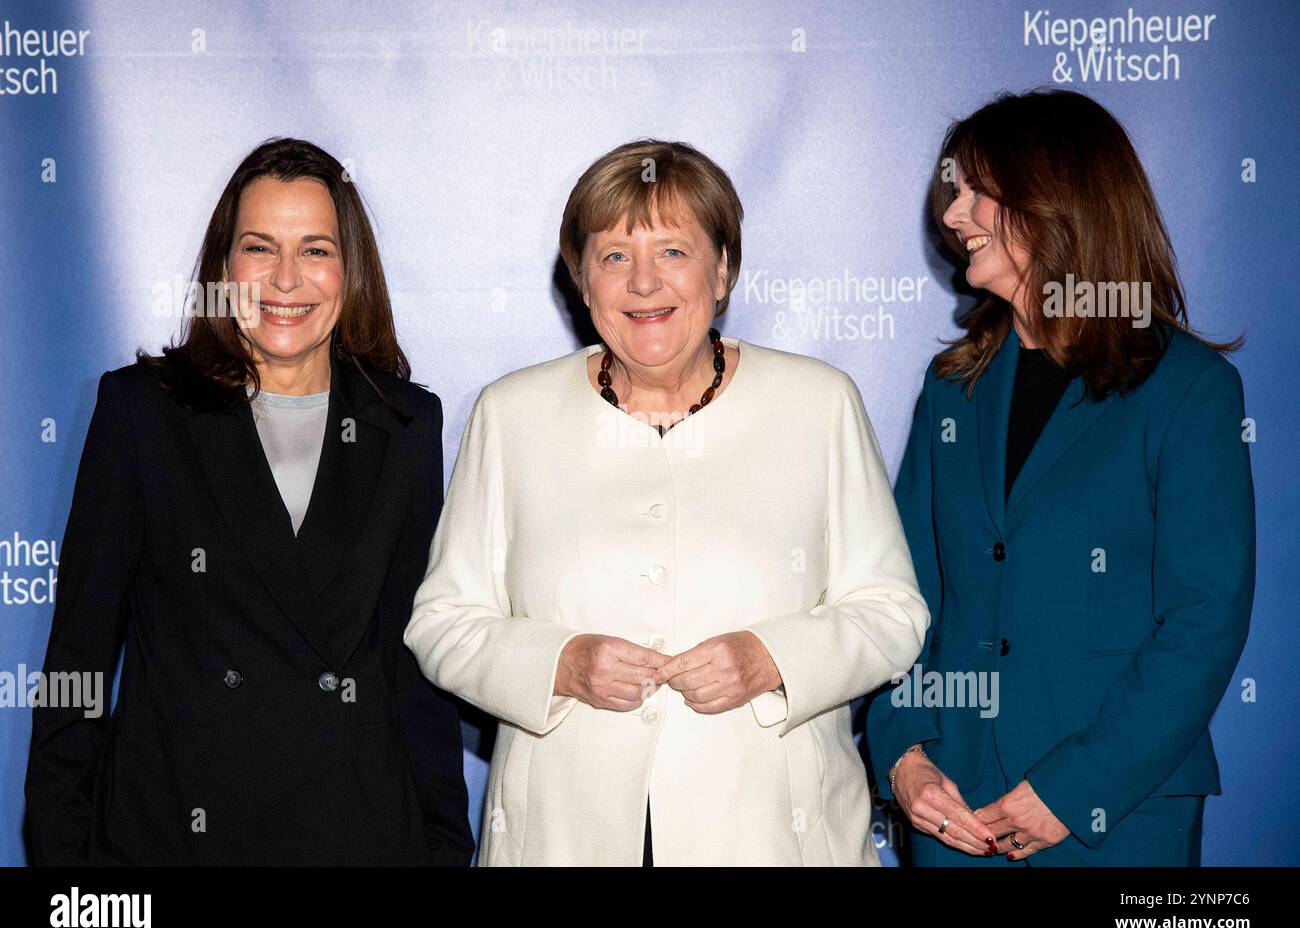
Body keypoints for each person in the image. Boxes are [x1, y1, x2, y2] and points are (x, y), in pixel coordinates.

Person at [403, 139, 928, 866]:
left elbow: (892, 614)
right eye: (614, 255)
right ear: (582, 282)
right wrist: (560, 662)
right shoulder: (511, 414)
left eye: (674, 252)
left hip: (775, 839)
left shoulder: (819, 403)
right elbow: (443, 625)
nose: (643, 282)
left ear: (722, 270)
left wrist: (769, 657)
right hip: (564, 839)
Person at [24, 137, 473, 866]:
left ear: (349, 270)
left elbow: (412, 676)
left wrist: (445, 851)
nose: (286, 279)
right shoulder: (144, 414)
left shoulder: (405, 425)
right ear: (224, 268)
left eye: (316, 250)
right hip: (172, 840)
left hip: (356, 837)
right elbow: (77, 666)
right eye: (260, 247)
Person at [865, 89, 1255, 866]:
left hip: (1119, 815)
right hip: (956, 811)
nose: (953, 214)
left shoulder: (1187, 388)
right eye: (954, 192)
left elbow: (1204, 618)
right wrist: (905, 752)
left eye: (978, 192)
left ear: (1060, 200)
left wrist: (1076, 790)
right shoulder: (953, 386)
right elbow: (901, 594)